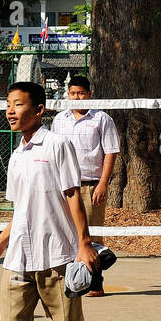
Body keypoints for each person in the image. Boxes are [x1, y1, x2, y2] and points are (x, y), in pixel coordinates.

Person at [0, 81, 102, 321]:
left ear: (39, 110)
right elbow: (20, 209)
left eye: (18, 104)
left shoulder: (58, 144)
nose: (10, 110)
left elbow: (73, 195)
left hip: (57, 253)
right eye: (8, 104)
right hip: (19, 255)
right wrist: (0, 242)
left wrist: (84, 244)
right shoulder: (16, 156)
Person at [50, 75, 119, 297]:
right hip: (64, 185)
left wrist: (102, 184)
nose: (77, 97)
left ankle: (95, 284)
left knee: (91, 236)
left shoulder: (102, 119)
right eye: (72, 93)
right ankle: (73, 279)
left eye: (81, 93)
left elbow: (111, 152)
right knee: (66, 233)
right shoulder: (59, 120)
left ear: (89, 94)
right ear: (67, 95)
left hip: (90, 186)